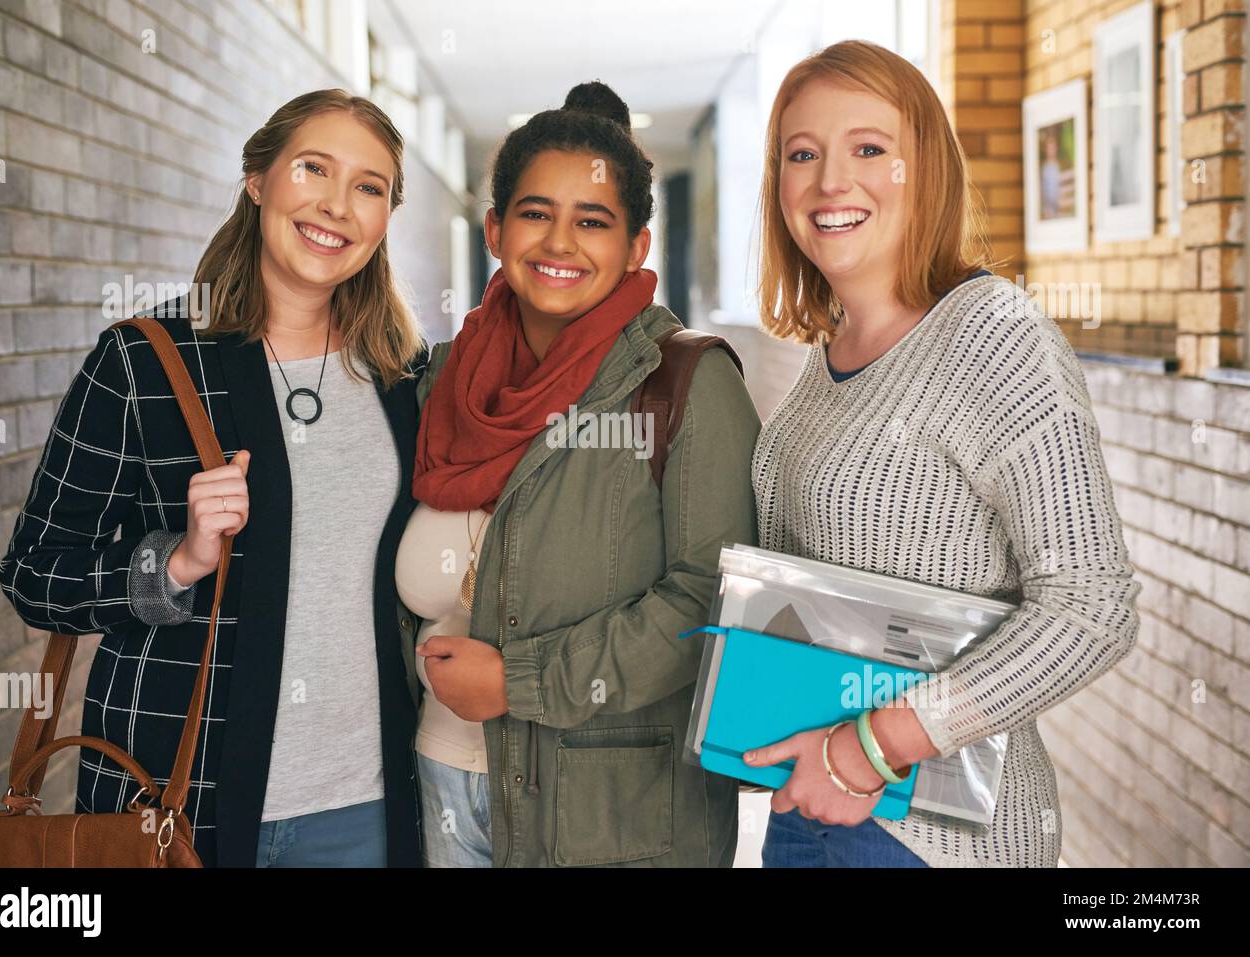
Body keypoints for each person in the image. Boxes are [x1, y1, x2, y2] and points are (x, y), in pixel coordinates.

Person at [0, 89, 427, 867]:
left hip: (362, 808)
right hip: (172, 805)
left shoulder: (406, 378)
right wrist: (176, 561)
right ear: (257, 178)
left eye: (370, 186)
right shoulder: (142, 363)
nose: (337, 204)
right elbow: (33, 577)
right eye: (313, 168)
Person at [745, 41, 1140, 867]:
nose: (829, 182)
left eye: (869, 149)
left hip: (939, 838)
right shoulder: (829, 354)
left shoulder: (993, 336)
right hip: (811, 804)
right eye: (802, 154)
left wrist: (873, 747)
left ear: (923, 171)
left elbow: (1093, 605)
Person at [397, 81, 760, 867]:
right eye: (535, 214)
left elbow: (708, 603)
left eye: (592, 221)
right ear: (496, 229)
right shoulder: (444, 376)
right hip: (444, 777)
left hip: (612, 819)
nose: (559, 243)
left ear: (636, 247)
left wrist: (518, 684)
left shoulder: (685, 384)